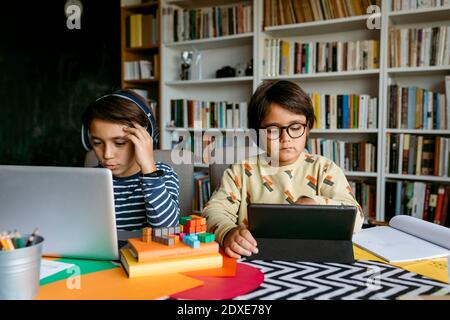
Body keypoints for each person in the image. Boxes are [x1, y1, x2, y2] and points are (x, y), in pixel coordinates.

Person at [202, 80, 364, 259]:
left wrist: (317, 204)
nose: (285, 138)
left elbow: (355, 217)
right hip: (256, 257)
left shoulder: (324, 169)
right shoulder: (241, 171)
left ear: (308, 127)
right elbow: (213, 210)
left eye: (295, 128)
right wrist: (228, 232)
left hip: (315, 259)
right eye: (272, 130)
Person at [81, 89, 179, 231]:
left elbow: (167, 230)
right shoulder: (88, 180)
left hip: (143, 253)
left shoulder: (163, 174)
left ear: (144, 139)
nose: (107, 154)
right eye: (97, 143)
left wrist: (149, 170)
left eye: (120, 143)